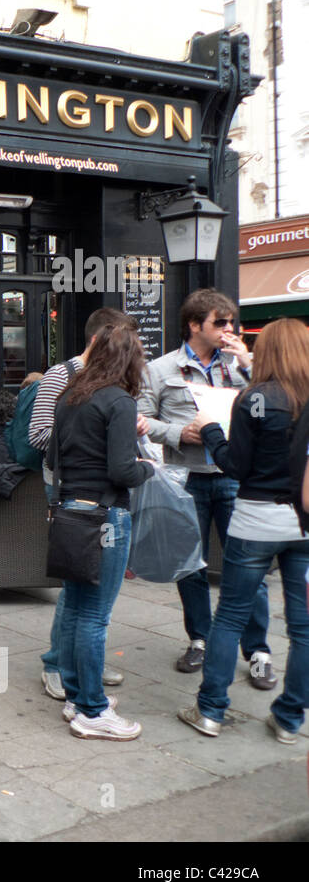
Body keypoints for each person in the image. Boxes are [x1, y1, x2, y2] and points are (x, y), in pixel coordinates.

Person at [178, 318, 309, 743]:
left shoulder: (254, 399)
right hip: (304, 523)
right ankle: (290, 718)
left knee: (230, 614)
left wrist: (213, 431)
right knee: (303, 627)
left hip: (255, 518)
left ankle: (211, 710)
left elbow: (234, 465)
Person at [139, 289, 271, 678]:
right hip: (187, 476)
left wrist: (247, 362)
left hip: (234, 477)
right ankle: (200, 638)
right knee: (189, 564)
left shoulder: (241, 366)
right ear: (195, 325)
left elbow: (271, 404)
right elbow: (143, 420)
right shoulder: (161, 368)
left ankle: (258, 649)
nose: (228, 329)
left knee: (248, 563)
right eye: (220, 322)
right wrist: (181, 433)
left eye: (232, 322)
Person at [50, 326, 154, 741]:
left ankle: (77, 696)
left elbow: (54, 456)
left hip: (71, 511)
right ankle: (92, 711)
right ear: (130, 361)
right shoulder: (120, 402)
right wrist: (151, 469)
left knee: (75, 609)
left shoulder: (69, 398)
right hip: (106, 516)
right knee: (95, 616)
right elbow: (122, 470)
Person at [30, 307, 138, 699]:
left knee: (84, 596)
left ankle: (81, 663)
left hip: (81, 491)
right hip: (75, 492)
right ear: (100, 341)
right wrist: (98, 445)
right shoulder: (62, 377)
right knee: (85, 597)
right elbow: (40, 434)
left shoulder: (108, 394)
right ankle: (59, 665)